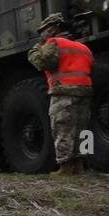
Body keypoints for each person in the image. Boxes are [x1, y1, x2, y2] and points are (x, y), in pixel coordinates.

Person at [27, 13, 93, 176]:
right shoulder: (83, 47)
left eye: (43, 30)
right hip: (84, 91)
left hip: (64, 91)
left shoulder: (54, 42)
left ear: (53, 29)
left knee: (62, 127)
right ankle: (79, 167)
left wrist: (34, 50)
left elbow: (43, 63)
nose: (41, 34)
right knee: (81, 129)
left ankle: (64, 168)